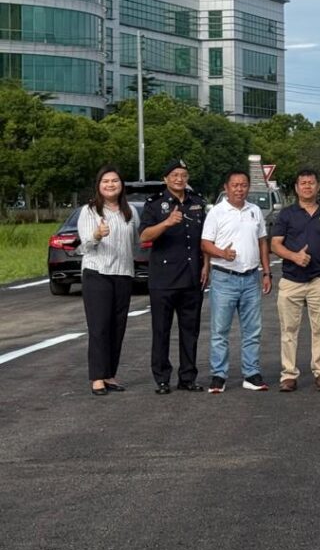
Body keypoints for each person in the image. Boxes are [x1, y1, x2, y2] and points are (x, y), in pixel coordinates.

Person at [140, 159, 208, 395]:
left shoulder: (197, 202)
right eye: (175, 175)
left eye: (183, 175)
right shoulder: (155, 204)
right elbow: (144, 236)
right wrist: (166, 223)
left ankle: (187, 377)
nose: (179, 179)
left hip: (191, 276)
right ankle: (162, 378)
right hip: (164, 279)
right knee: (161, 330)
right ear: (166, 179)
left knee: (190, 331)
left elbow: (205, 238)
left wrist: (206, 265)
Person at [201, 170, 272, 393]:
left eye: (243, 185)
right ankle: (218, 375)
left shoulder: (255, 211)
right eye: (235, 185)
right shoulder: (217, 212)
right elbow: (205, 243)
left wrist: (266, 272)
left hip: (250, 277)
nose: (239, 189)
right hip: (224, 277)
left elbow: (262, 242)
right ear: (226, 187)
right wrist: (222, 253)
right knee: (220, 330)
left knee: (252, 330)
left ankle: (251, 373)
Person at [271, 169, 320, 393]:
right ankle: (289, 374)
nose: (307, 186)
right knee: (289, 330)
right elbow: (275, 244)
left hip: (319, 279)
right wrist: (294, 257)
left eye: (311, 183)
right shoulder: (286, 214)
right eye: (303, 183)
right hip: (291, 280)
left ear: (318, 187)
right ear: (297, 188)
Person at [78, 165, 139, 396]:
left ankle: (110, 374)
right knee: (99, 327)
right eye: (105, 181)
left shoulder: (130, 212)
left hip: (123, 274)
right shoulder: (90, 211)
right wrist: (97, 235)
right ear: (99, 185)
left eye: (114, 180)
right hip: (97, 273)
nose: (110, 185)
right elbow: (85, 245)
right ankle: (97, 377)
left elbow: (136, 242)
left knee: (117, 327)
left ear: (121, 185)